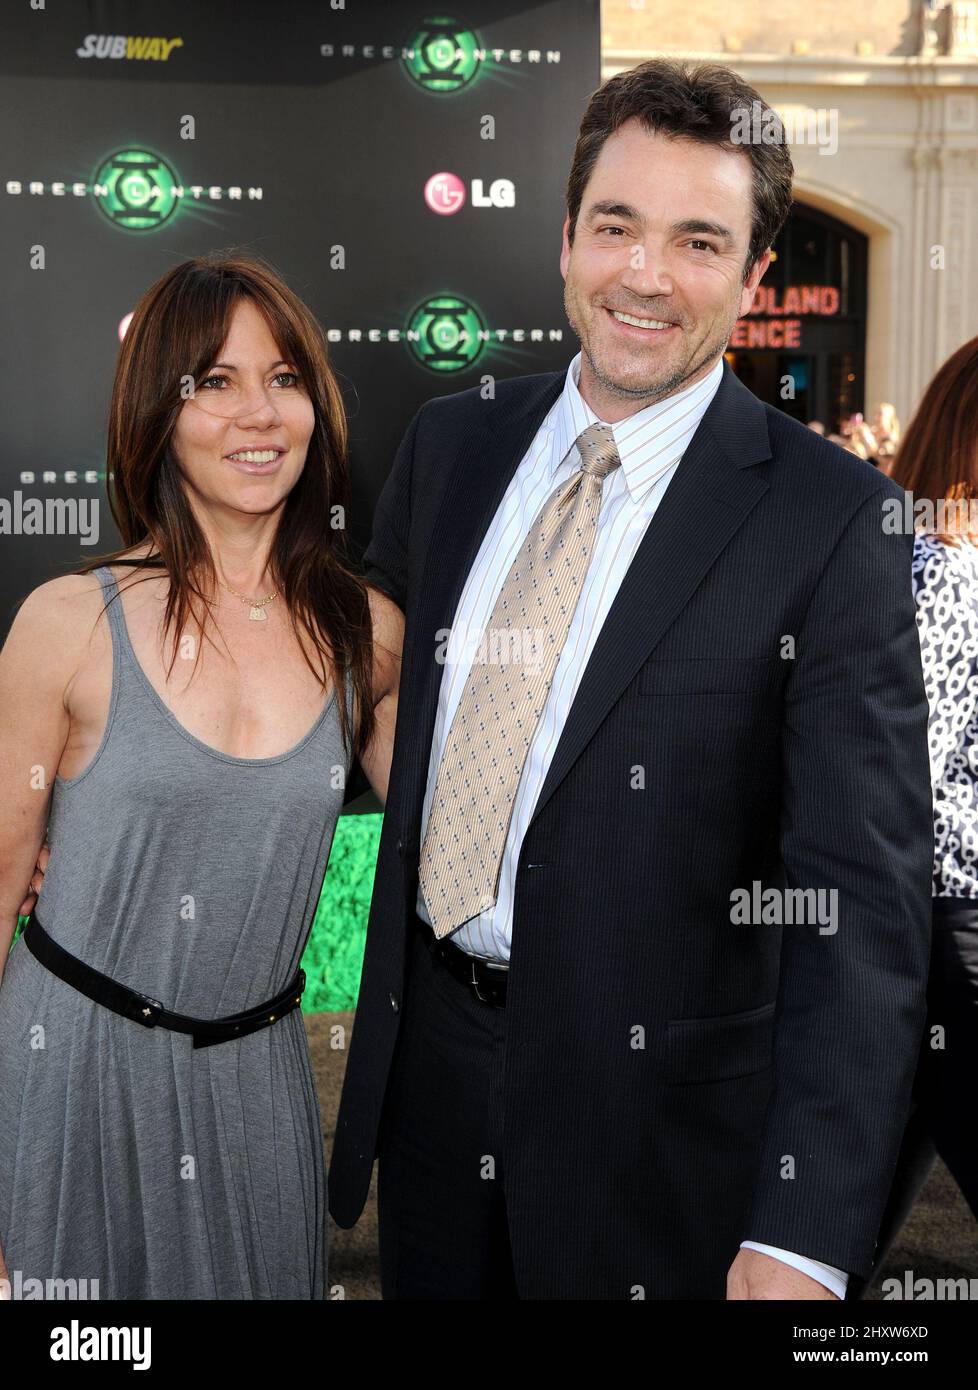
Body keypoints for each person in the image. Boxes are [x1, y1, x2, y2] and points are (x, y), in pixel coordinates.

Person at [327, 57, 934, 1300]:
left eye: (699, 240)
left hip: (664, 1150)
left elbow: (860, 905)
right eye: (616, 226)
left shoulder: (832, 522)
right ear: (565, 239)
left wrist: (805, 1227)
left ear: (756, 277)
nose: (646, 275)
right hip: (431, 1095)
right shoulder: (452, 444)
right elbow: (373, 696)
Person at [0, 252, 402, 1299]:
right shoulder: (66, 625)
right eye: (213, 382)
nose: (258, 413)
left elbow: (482, 841)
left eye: (285, 376)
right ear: (157, 413)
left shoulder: (369, 638)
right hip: (69, 1076)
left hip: (254, 1096)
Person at [846, 339, 978, 1298]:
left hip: (939, 924)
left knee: (849, 1202)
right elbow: (908, 767)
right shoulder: (939, 570)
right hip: (943, 921)